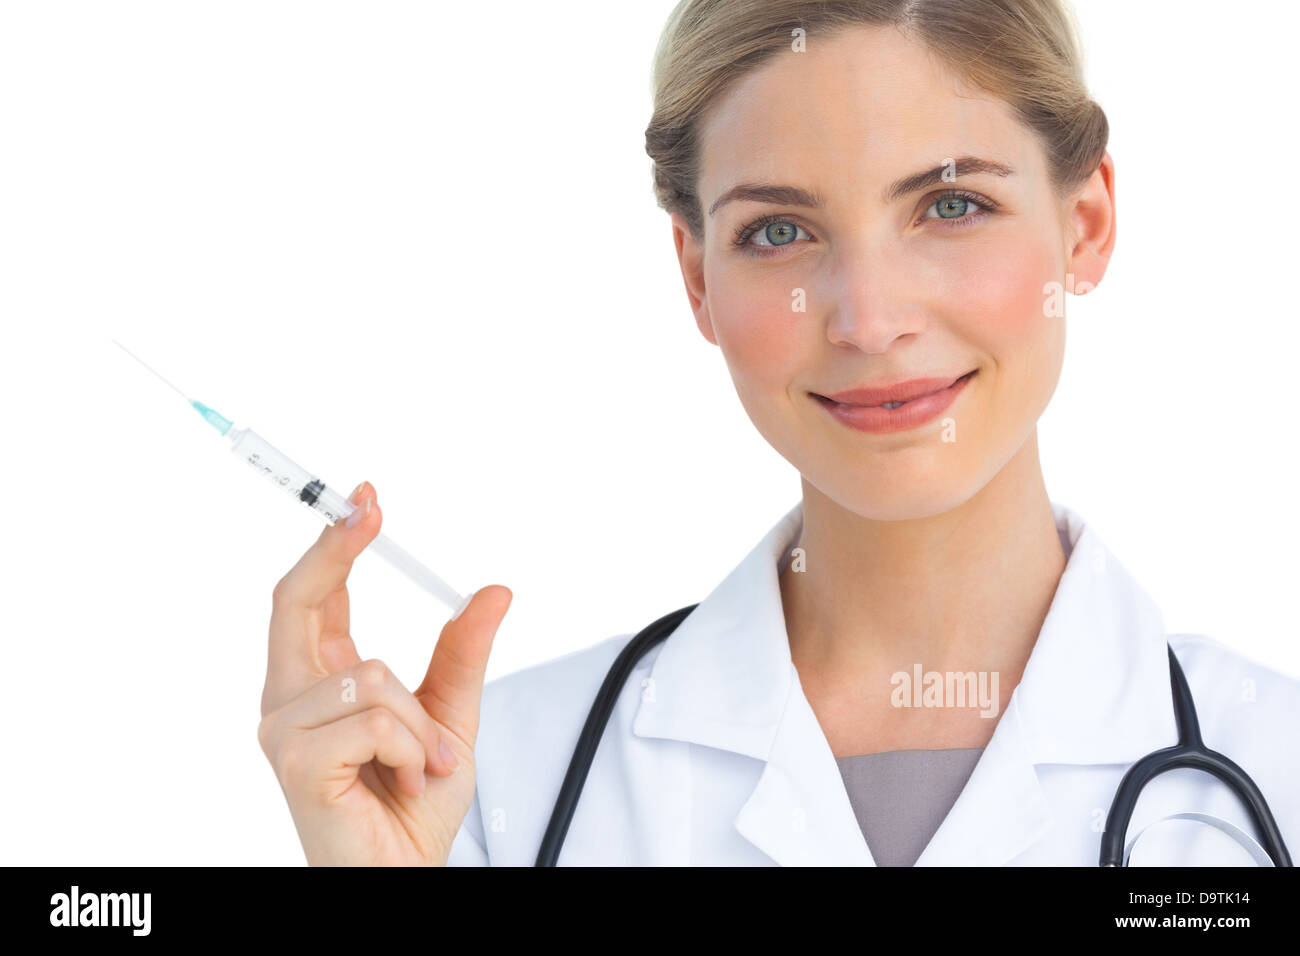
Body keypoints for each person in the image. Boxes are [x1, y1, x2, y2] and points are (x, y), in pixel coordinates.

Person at [256, 0, 1300, 866]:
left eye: (949, 204)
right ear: (697, 277)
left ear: (1086, 224)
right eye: (780, 232)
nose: (867, 318)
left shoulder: (1275, 763)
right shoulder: (491, 786)